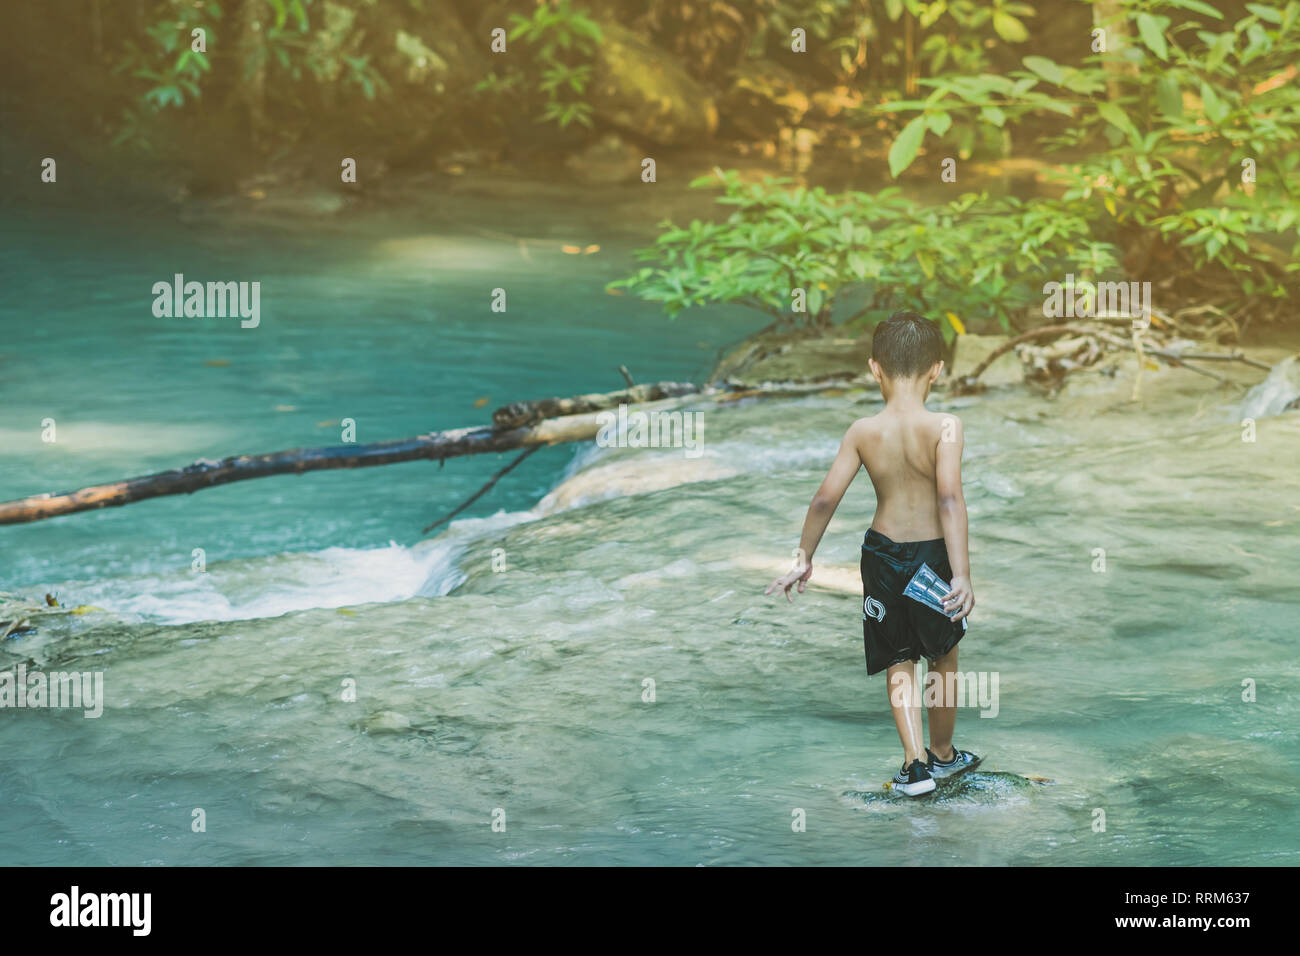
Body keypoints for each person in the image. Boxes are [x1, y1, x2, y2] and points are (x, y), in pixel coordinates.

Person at [766, 311, 978, 797]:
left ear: (874, 369)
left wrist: (804, 556)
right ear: (937, 370)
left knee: (897, 657)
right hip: (932, 557)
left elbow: (824, 498)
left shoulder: (862, 430)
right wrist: (962, 574)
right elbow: (949, 498)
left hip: (881, 555)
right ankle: (944, 756)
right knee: (942, 655)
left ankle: (913, 766)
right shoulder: (946, 426)